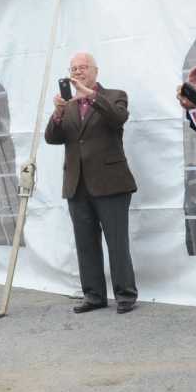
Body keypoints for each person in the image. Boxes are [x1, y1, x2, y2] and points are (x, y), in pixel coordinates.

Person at [44, 51, 139, 314]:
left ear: (95, 71)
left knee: (116, 242)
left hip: (111, 182)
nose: (77, 72)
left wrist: (91, 96)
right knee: (85, 243)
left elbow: (118, 118)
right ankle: (94, 295)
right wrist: (58, 114)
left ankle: (125, 295)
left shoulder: (114, 95)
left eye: (83, 67)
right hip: (77, 183)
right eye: (73, 68)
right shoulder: (69, 104)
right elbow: (52, 138)